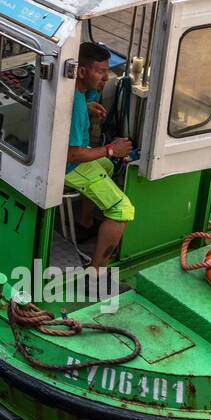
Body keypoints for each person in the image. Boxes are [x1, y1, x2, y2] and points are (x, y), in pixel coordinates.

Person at [65, 42, 134, 270]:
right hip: (70, 167)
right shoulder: (75, 103)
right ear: (82, 71)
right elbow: (74, 154)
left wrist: (87, 108)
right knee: (122, 209)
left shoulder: (76, 95)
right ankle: (96, 271)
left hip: (70, 160)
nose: (106, 77)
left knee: (107, 166)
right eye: (101, 71)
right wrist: (112, 149)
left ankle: (85, 223)